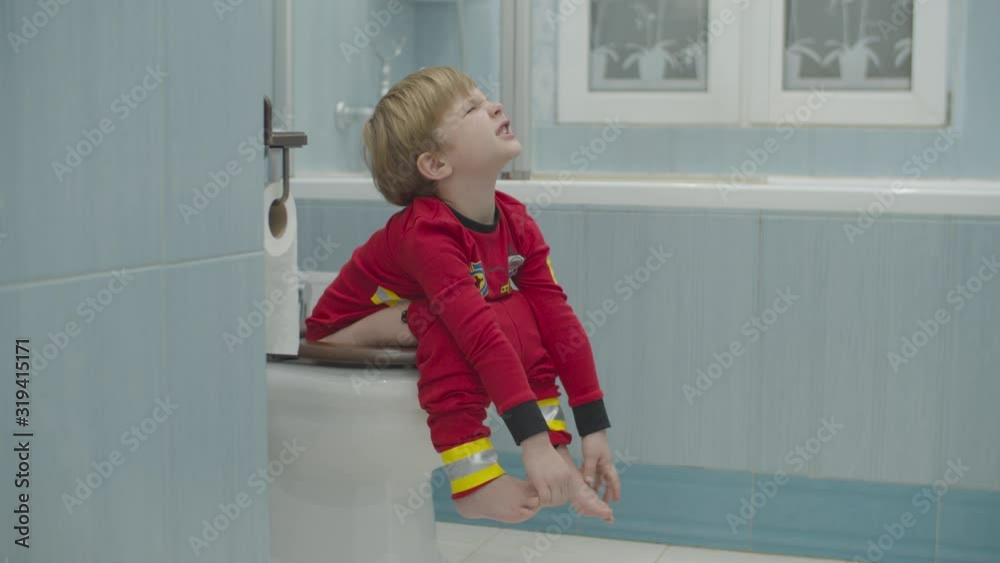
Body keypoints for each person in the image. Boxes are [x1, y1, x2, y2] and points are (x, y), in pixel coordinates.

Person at [306, 67, 620, 524]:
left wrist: (592, 429)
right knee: (456, 322)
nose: (493, 105)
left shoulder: (515, 222)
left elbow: (560, 323)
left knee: (521, 309)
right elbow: (480, 337)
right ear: (435, 165)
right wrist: (528, 446)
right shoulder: (426, 234)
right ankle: (472, 478)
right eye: (471, 108)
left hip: (403, 320)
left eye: (484, 97)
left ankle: (558, 452)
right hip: (338, 335)